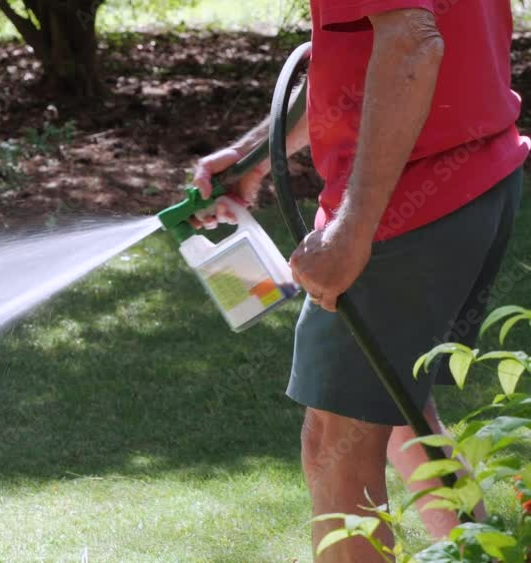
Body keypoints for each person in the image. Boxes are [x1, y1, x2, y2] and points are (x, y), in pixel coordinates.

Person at [190, 2, 529, 560]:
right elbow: (362, 52)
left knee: (333, 444)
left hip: (411, 201)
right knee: (400, 413)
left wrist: (351, 231)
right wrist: (254, 155)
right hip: (478, 167)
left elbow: (411, 46)